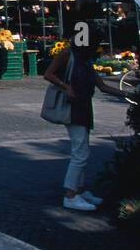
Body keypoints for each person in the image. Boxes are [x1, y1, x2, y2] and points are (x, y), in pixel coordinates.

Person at [43, 15, 126, 212]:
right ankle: (70, 195)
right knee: (80, 152)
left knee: (80, 149)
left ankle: (79, 190)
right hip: (72, 106)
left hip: (83, 105)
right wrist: (66, 87)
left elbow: (103, 86)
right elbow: (48, 74)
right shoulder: (68, 54)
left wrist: (128, 94)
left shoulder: (84, 58)